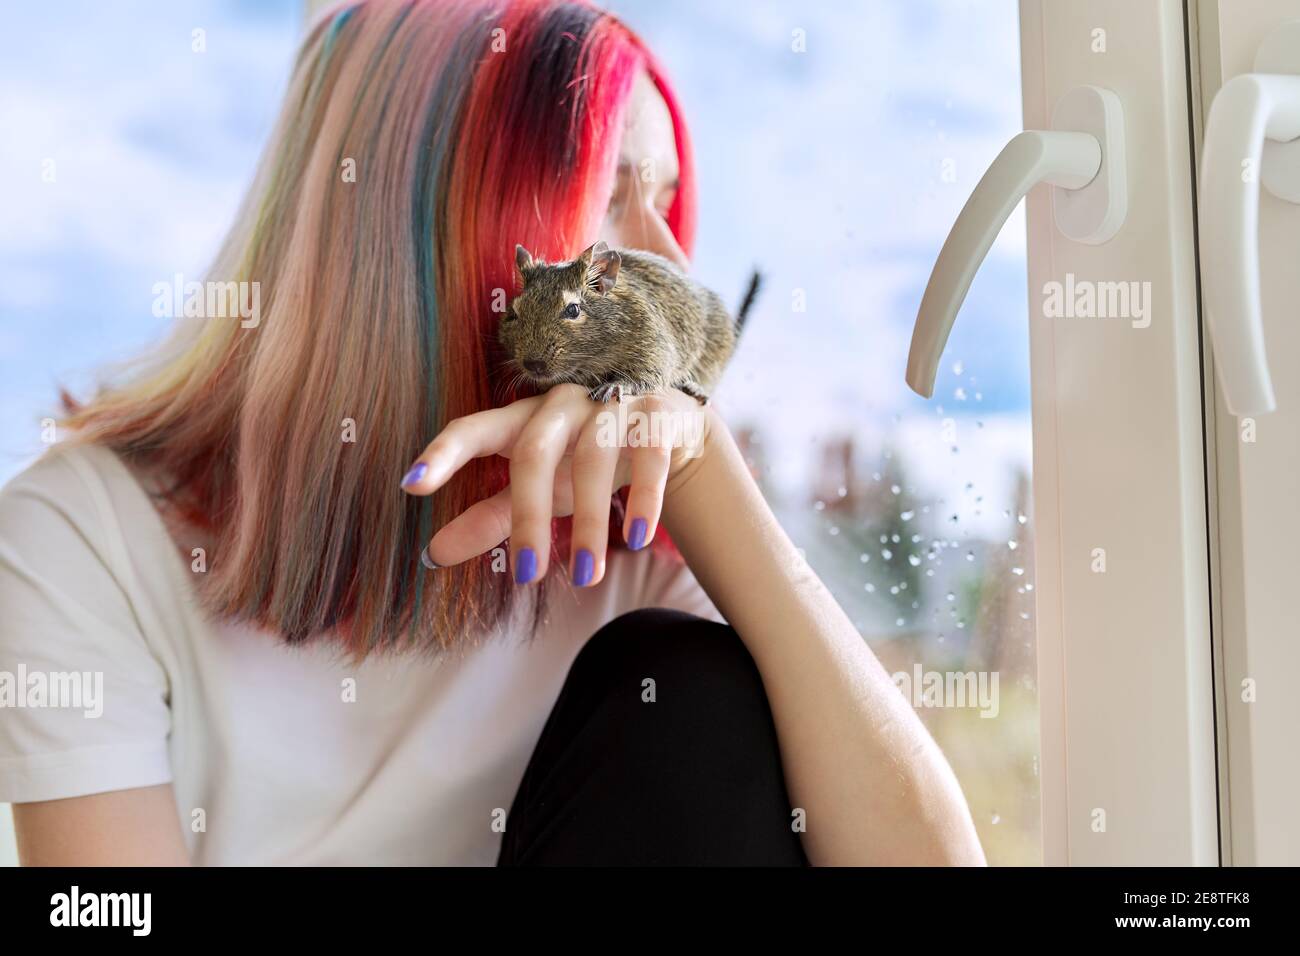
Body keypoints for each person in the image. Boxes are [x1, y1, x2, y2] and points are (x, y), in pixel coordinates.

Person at [0, 0, 984, 866]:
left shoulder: (630, 522)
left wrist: (698, 459)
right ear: (424, 227)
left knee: (698, 693)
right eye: (609, 190)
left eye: (665, 198)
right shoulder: (85, 539)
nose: (669, 261)